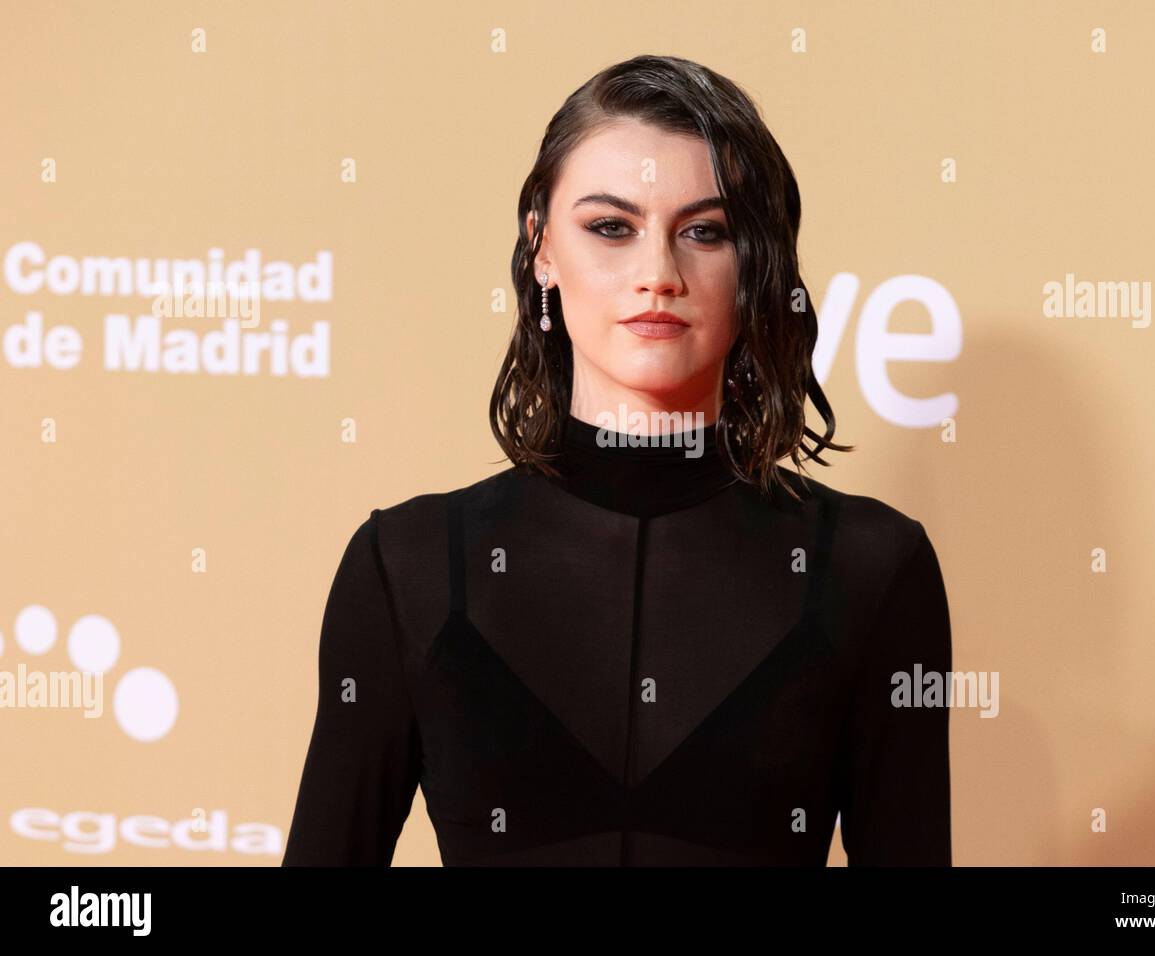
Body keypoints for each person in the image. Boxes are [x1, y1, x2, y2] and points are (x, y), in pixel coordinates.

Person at [283, 53, 952, 866]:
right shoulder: (407, 565)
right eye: (611, 227)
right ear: (542, 251)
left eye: (705, 232)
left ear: (757, 265)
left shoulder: (872, 569)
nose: (657, 276)